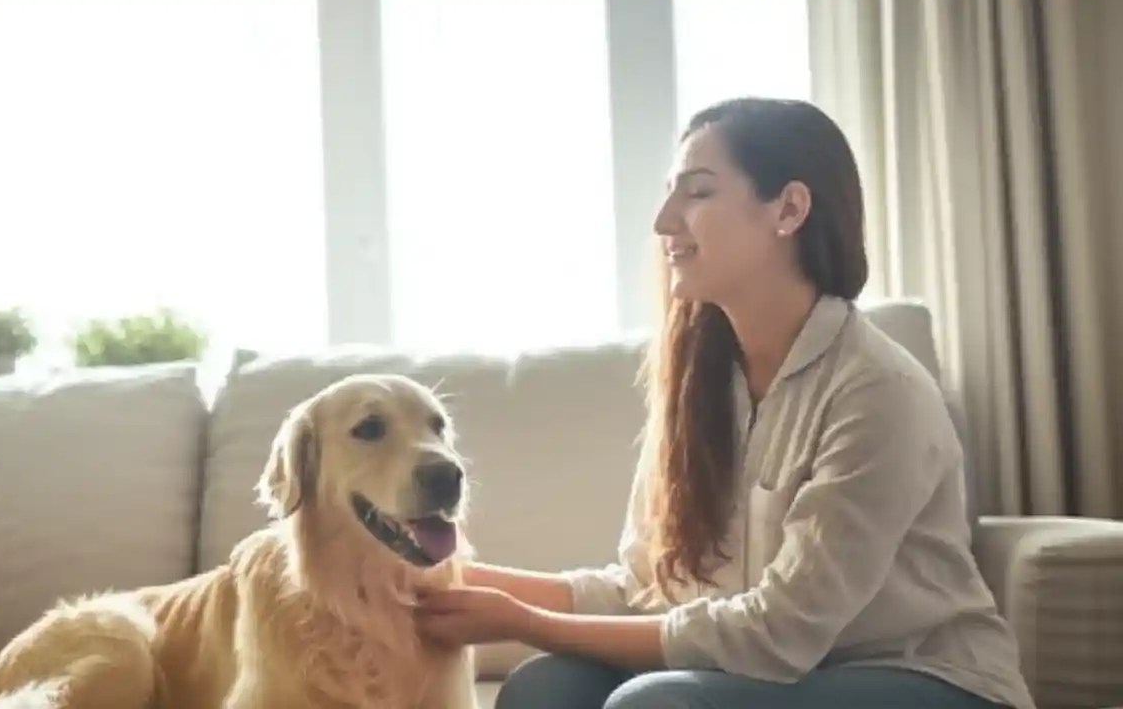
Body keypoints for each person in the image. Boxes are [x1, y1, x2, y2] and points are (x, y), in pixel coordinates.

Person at [413, 97, 1035, 709]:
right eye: (669, 192)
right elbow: (646, 590)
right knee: (544, 687)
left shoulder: (876, 392)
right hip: (776, 680)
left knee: (658, 705)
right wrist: (456, 583)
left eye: (697, 192)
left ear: (789, 209)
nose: (663, 221)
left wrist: (524, 622)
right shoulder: (701, 387)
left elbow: (780, 633)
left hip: (921, 679)